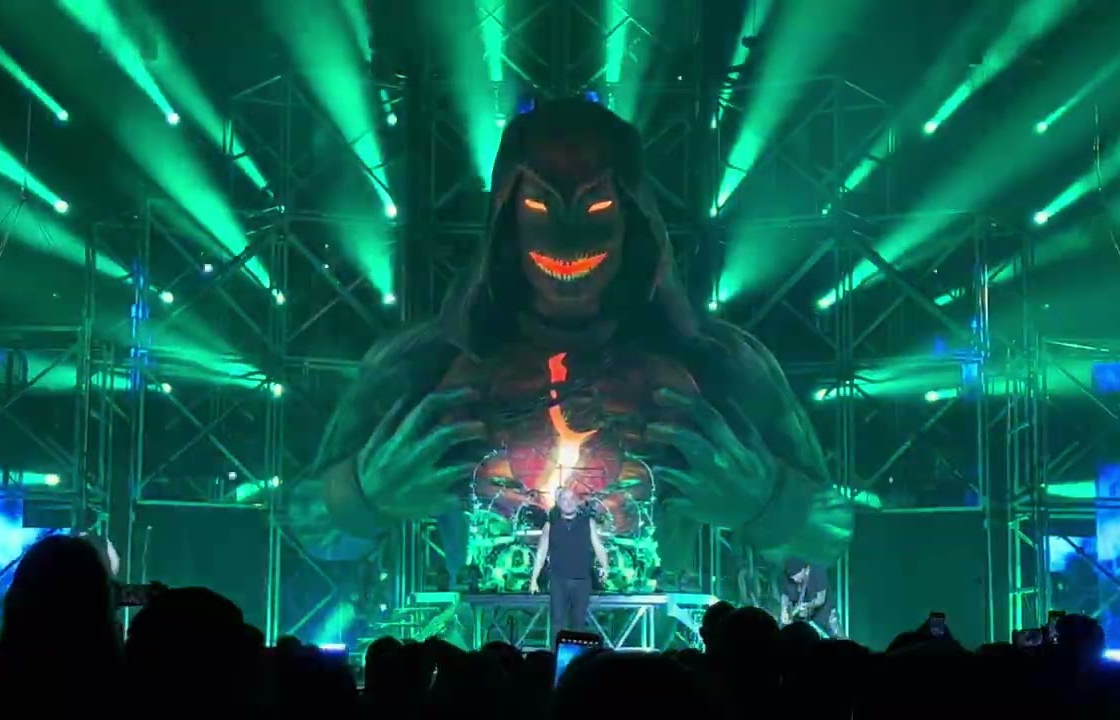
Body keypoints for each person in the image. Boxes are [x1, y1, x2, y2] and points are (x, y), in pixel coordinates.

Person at [288, 95, 851, 601]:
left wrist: (771, 502)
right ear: (508, 216)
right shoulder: (423, 364)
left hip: (648, 652)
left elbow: (830, 533)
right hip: (489, 653)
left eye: (595, 208)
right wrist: (358, 493)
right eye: (540, 207)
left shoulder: (716, 364)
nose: (568, 239)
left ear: (632, 216)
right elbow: (307, 520)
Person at [528, 488, 609, 635]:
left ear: (577, 502)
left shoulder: (588, 523)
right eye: (564, 499)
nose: (569, 502)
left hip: (582, 580)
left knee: (578, 623)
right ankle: (556, 649)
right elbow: (541, 553)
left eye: (572, 498)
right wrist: (534, 580)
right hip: (558, 581)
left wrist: (605, 567)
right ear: (559, 503)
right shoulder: (550, 526)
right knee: (557, 622)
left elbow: (599, 546)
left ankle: (576, 650)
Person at [778, 558, 842, 638]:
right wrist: (784, 609)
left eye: (795, 576)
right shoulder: (789, 578)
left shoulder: (818, 572)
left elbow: (820, 599)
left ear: (804, 570)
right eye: (791, 577)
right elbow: (785, 595)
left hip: (825, 614)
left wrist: (806, 606)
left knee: (836, 634)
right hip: (804, 617)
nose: (794, 579)